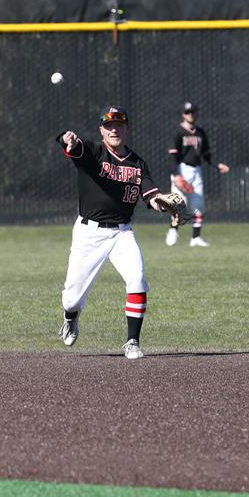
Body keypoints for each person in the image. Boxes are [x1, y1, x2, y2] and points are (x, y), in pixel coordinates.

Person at [55, 106, 170, 359]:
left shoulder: (137, 163)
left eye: (119, 124)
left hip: (121, 233)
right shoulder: (94, 152)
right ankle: (71, 317)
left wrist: (162, 203)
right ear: (102, 131)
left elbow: (150, 196)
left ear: (127, 128)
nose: (114, 129)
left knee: (137, 278)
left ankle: (132, 342)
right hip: (89, 233)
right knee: (71, 300)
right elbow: (72, 146)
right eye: (109, 126)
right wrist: (67, 138)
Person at [166, 101, 230, 247]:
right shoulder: (178, 132)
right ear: (183, 114)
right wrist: (176, 175)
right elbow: (172, 156)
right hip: (181, 170)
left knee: (198, 205)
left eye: (193, 111)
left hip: (196, 170)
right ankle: (173, 229)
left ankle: (195, 238)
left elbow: (207, 154)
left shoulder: (200, 132)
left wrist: (217, 165)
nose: (191, 114)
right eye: (188, 112)